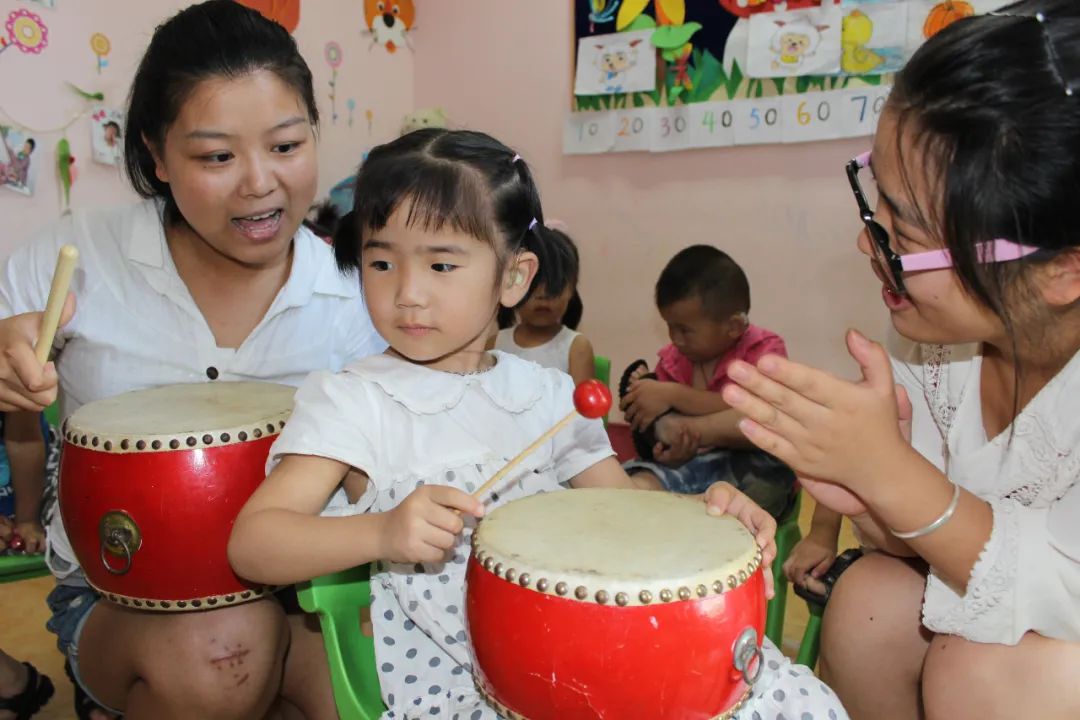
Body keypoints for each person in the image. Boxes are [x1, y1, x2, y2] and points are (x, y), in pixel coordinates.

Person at [228, 128, 848, 720]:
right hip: (474, 681)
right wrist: (382, 533)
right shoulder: (353, 402)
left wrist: (706, 517)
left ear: (514, 277)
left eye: (441, 266)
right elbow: (254, 544)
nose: (408, 293)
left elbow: (626, 513)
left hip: (595, 645)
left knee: (775, 697)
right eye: (382, 263)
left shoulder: (548, 397)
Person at [0, 2, 384, 718]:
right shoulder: (75, 258)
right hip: (121, 591)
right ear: (154, 154)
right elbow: (11, 352)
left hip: (303, 584)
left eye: (286, 145)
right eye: (216, 156)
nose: (259, 183)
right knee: (218, 658)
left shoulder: (358, 290)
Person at [722, 2, 1080, 717]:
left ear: (1059, 271)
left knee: (985, 672)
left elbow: (1059, 587)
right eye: (873, 202)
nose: (868, 244)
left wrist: (885, 469)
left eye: (903, 231)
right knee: (870, 603)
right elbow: (930, 539)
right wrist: (872, 497)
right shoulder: (938, 339)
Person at [619, 246, 796, 518]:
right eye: (670, 326)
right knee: (634, 483)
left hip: (754, 464)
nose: (675, 339)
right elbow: (667, 438)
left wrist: (675, 397)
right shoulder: (671, 360)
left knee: (760, 421)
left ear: (733, 327)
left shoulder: (764, 350)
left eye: (685, 330)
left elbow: (764, 416)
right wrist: (673, 450)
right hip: (695, 464)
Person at [493, 225, 596, 384]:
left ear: (572, 289)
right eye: (534, 283)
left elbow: (582, 407)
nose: (543, 295)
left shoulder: (576, 348)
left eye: (556, 284)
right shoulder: (495, 344)